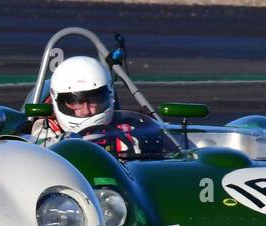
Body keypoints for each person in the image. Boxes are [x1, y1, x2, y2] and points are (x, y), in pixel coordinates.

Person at [31, 55, 167, 158]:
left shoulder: (133, 133)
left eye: (94, 100)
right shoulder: (40, 138)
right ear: (57, 101)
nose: (86, 110)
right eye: (76, 103)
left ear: (109, 95)